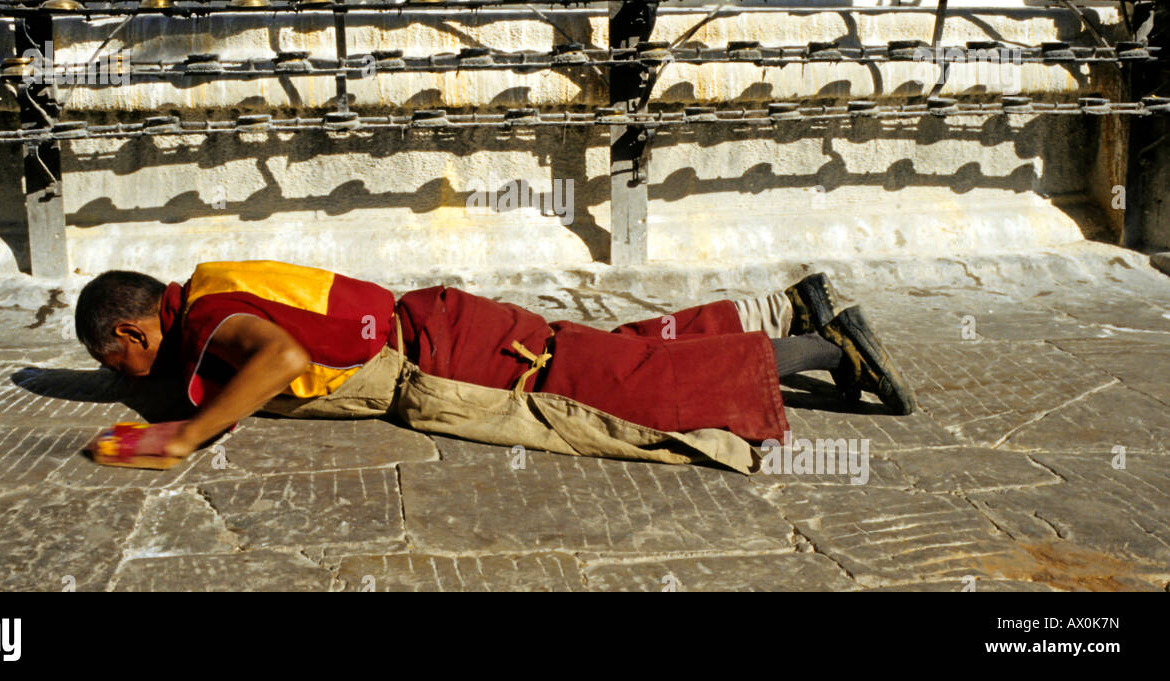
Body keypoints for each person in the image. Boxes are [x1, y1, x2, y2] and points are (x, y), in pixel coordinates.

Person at [72, 260, 914, 470]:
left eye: (120, 363)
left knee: (632, 387)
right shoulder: (214, 280)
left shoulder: (210, 320)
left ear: (137, 329)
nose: (130, 378)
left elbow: (281, 356)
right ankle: (786, 310)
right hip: (439, 322)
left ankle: (825, 348)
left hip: (446, 355)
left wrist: (184, 434)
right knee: (611, 350)